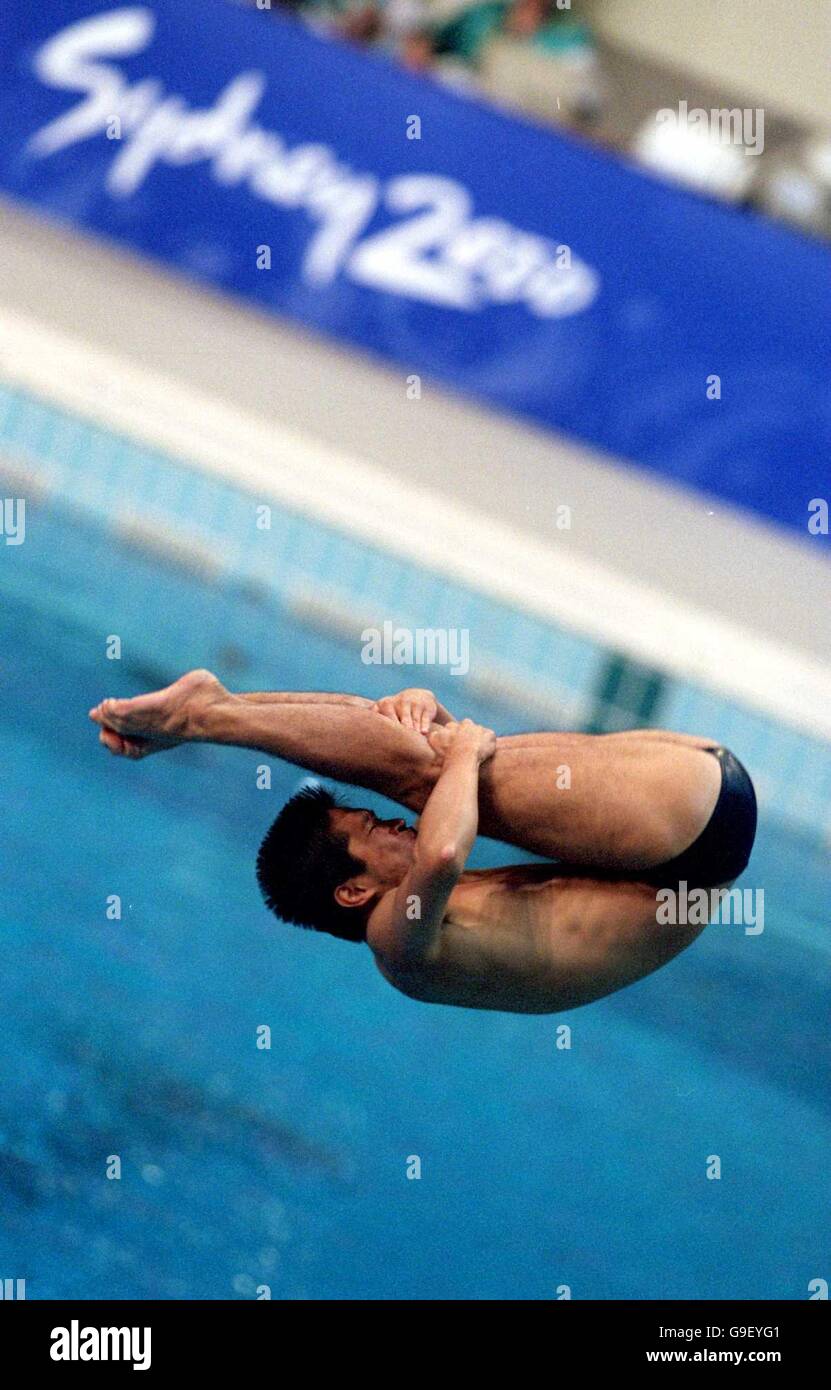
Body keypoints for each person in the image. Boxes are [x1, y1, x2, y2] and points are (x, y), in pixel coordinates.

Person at [89, 669, 757, 1014]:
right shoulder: (396, 945)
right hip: (687, 844)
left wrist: (429, 720)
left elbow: (458, 808)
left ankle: (217, 707)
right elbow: (441, 853)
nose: (391, 825)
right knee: (429, 771)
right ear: (353, 890)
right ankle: (205, 716)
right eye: (371, 831)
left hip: (689, 826)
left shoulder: (418, 925)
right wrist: (458, 750)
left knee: (426, 759)